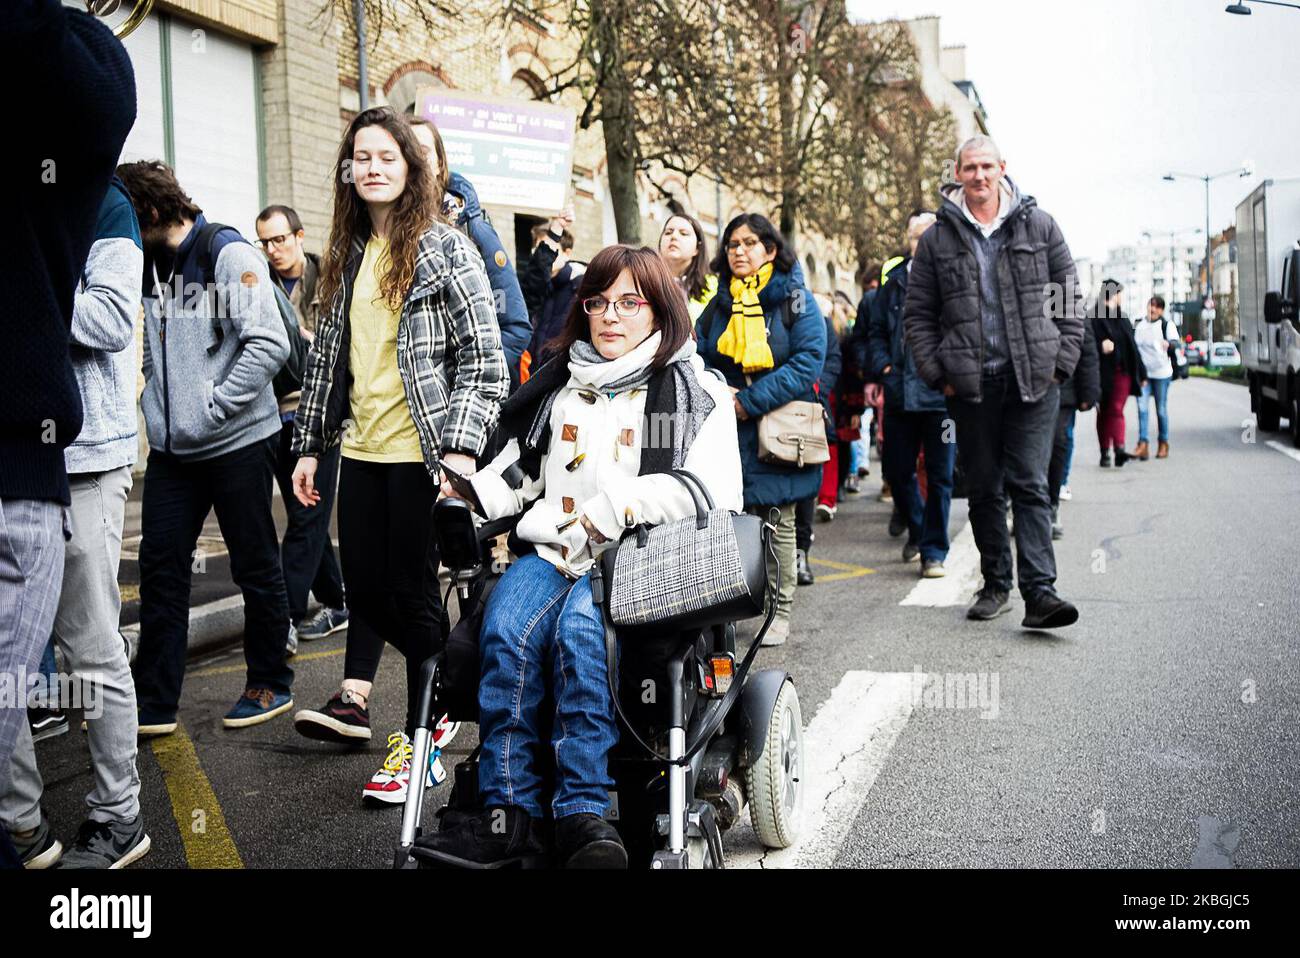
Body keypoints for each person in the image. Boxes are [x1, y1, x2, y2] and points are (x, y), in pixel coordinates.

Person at [421, 245, 742, 867]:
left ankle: (582, 816)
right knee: (505, 632)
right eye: (598, 302)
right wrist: (469, 497)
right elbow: (526, 472)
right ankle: (507, 813)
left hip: (641, 561)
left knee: (578, 636)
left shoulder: (688, 391)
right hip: (554, 551)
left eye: (629, 302)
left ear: (660, 310)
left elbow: (707, 495)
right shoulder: (563, 384)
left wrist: (616, 507)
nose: (611, 316)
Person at [289, 107, 507, 805]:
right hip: (362, 454)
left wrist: (460, 449)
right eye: (361, 156)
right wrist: (308, 448)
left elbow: (487, 359)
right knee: (372, 596)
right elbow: (328, 362)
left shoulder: (446, 249)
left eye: (387, 155)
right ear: (348, 170)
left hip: (424, 457)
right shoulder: (349, 253)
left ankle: (422, 740)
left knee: (410, 595)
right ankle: (442, 707)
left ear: (412, 169)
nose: (372, 166)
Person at [1, 0, 136, 871]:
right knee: (19, 673)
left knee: (87, 646)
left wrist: (43, 311)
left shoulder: (107, 201)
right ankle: (20, 820)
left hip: (82, 459)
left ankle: (119, 810)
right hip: (40, 449)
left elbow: (117, 316)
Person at [118, 160, 294, 734]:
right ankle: (155, 701)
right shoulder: (150, 263)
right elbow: (152, 347)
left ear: (146, 211)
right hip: (174, 453)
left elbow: (267, 342)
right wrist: (156, 401)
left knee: (255, 565)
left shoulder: (226, 254)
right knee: (161, 569)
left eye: (124, 215)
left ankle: (269, 682)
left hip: (237, 440)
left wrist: (214, 405)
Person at [904, 136, 1085, 629]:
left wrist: (1060, 363)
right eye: (970, 168)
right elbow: (918, 314)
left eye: (987, 166)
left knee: (1029, 483)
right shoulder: (940, 238)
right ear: (957, 173)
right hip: (970, 385)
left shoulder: (1039, 225)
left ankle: (1041, 593)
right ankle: (997, 584)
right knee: (984, 488)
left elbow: (1069, 298)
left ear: (1002, 169)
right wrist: (938, 373)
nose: (979, 176)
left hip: (1033, 380)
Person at [696, 214, 826, 647]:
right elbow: (697, 358)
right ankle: (734, 608)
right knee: (731, 522)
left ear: (770, 250)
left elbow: (809, 359)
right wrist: (720, 391)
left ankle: (780, 610)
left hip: (777, 427)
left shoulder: (794, 299)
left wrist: (747, 401)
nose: (740, 251)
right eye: (733, 244)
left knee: (777, 521)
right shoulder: (719, 305)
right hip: (726, 428)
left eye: (751, 243)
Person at [254, 204, 349, 647]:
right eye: (265, 242)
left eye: (279, 239)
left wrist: (310, 338)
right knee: (301, 514)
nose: (273, 249)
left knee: (308, 516)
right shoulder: (256, 285)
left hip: (319, 413)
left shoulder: (328, 276)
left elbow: (343, 338)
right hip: (274, 414)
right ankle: (338, 599)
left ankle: (283, 620)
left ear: (298, 236)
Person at [409, 117, 531, 385]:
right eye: (404, 150)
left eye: (423, 151)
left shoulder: (472, 230)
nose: (413, 159)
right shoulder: (383, 235)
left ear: (440, 164)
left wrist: (466, 383)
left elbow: (516, 328)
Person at [870, 212, 956, 578]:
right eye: (915, 237)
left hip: (941, 398)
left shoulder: (953, 282)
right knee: (896, 469)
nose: (920, 243)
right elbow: (871, 334)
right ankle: (920, 532)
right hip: (900, 395)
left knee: (940, 475)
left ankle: (933, 551)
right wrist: (885, 368)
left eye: (928, 236)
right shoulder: (891, 286)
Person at [794, 293, 842, 586]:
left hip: (805, 411)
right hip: (753, 409)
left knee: (802, 485)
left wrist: (817, 393)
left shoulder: (813, 317)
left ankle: (801, 551)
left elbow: (831, 359)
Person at [1048, 306, 1100, 539]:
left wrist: (1088, 393)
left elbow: (1086, 349)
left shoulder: (1065, 292)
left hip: (1063, 387)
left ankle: (1050, 507)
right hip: (1028, 385)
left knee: (1059, 442)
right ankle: (1026, 508)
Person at [520, 208, 586, 371]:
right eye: (536, 250)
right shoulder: (539, 287)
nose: (541, 256)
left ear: (567, 253)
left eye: (548, 249)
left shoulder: (582, 288)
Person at [1091, 279, 1145, 467]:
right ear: (1113, 294)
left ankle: (1120, 449)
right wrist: (1100, 347)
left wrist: (1142, 373)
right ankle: (1105, 452)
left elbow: (1132, 347)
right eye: (1120, 293)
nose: (1122, 297)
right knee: (1103, 411)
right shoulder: (1094, 317)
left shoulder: (1123, 318)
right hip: (1100, 373)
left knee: (1115, 408)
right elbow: (1085, 345)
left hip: (1123, 372)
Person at [1134, 295, 1182, 460]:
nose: (1152, 309)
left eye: (1157, 307)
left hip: (1162, 373)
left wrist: (1169, 344)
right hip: (1144, 375)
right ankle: (1143, 444)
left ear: (1161, 310)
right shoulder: (1140, 325)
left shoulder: (1166, 325)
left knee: (1160, 410)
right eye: (1151, 306)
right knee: (1142, 408)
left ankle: (1163, 442)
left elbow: (1176, 342)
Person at [657, 211, 718, 321]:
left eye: (684, 233)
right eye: (668, 232)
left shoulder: (713, 286)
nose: (674, 236)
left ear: (697, 248)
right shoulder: (645, 280)